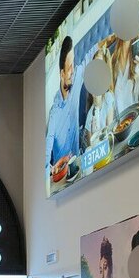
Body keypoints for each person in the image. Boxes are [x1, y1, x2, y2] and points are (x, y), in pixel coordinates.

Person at [46, 36, 86, 174]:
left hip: (79, 165)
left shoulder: (77, 76)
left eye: (73, 64)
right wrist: (51, 170)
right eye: (69, 68)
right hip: (62, 177)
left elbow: (92, 54)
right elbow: (46, 157)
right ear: (62, 74)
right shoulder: (54, 113)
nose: (73, 70)